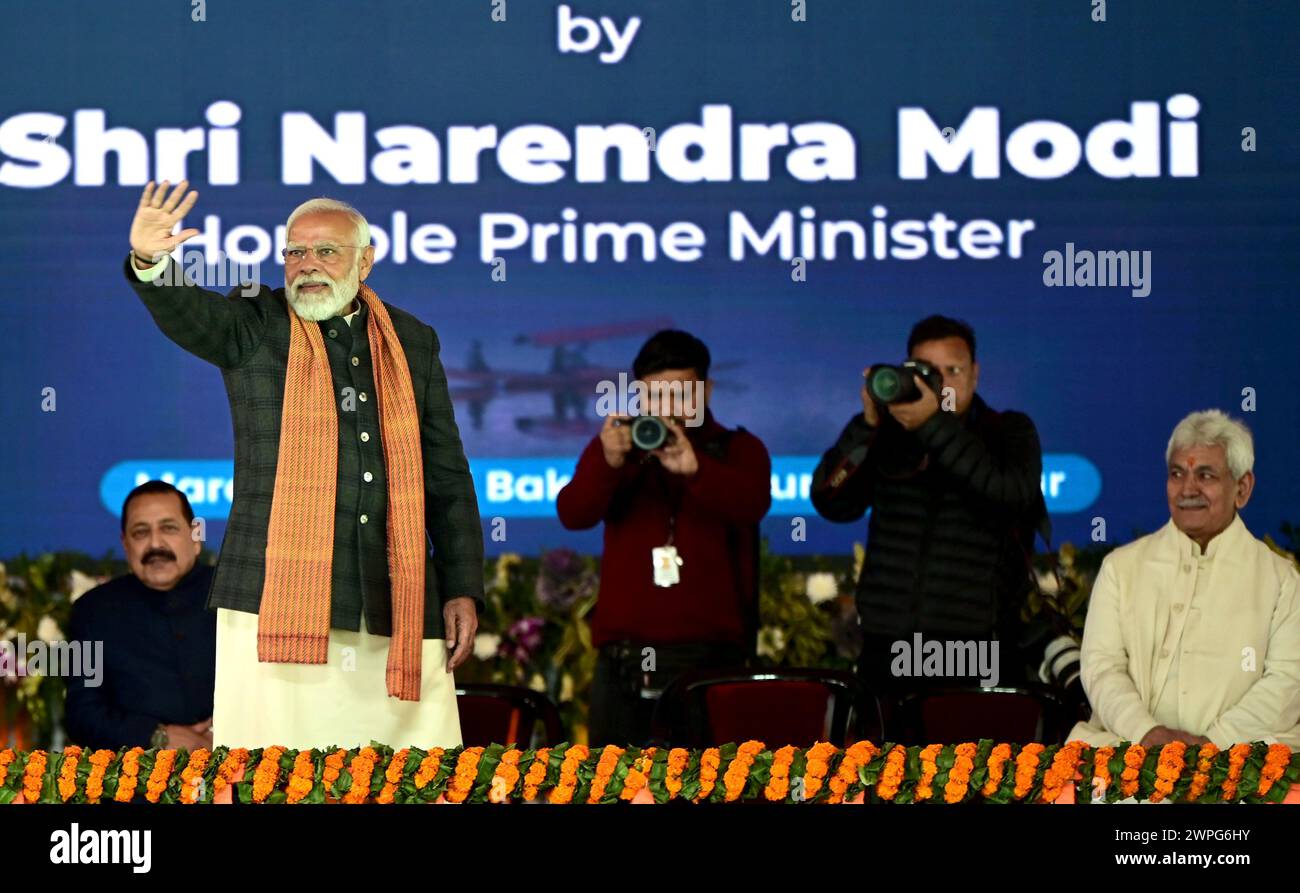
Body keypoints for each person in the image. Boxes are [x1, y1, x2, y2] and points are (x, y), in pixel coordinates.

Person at [124, 182, 483, 750]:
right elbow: (188, 314)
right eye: (295, 252)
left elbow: (445, 474)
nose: (307, 265)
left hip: (398, 600)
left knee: (407, 778)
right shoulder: (255, 325)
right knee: (275, 775)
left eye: (326, 251)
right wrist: (150, 261)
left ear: (365, 260)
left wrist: (462, 585)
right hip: (274, 604)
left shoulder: (413, 342)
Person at [811, 315, 1048, 699]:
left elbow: (1010, 496)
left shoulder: (1008, 431)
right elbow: (831, 501)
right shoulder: (886, 433)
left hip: (974, 647)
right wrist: (868, 425)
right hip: (888, 646)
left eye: (953, 370)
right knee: (882, 759)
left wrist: (932, 425)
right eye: (928, 372)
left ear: (975, 374)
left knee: (976, 758)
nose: (941, 383)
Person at [556, 330, 771, 745]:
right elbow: (573, 514)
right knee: (616, 788)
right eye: (656, 397)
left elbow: (751, 505)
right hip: (624, 663)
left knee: (714, 787)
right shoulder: (617, 449)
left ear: (706, 391)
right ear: (638, 394)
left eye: (681, 395)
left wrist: (697, 470)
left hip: (714, 662)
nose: (668, 409)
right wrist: (609, 461)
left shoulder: (739, 449)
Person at [1070, 410, 1300, 748]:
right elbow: (1102, 667)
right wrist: (1146, 732)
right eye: (1177, 474)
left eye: (1205, 475)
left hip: (1240, 763)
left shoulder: (1281, 581)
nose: (1187, 489)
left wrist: (1215, 743)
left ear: (1243, 488)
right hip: (1131, 755)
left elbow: (1287, 680)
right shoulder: (1122, 568)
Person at [65, 481, 216, 752]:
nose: (155, 544)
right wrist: (158, 736)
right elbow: (80, 713)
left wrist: (234, 727)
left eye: (169, 528)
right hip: (137, 784)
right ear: (125, 544)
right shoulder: (90, 611)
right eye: (140, 532)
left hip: (242, 774)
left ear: (196, 536)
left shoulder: (235, 601)